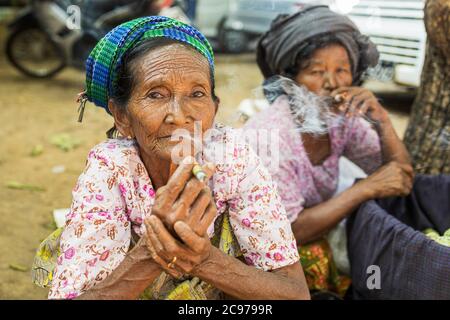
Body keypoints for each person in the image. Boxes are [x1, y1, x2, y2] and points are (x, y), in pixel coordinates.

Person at [36, 16, 309, 300]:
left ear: (214, 111)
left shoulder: (233, 161)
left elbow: (295, 293)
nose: (179, 116)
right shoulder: (112, 170)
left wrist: (204, 259)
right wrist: (152, 250)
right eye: (156, 94)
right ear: (122, 116)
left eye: (197, 94)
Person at [244, 5, 413, 296]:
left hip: (305, 234)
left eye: (341, 71)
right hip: (262, 248)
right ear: (291, 80)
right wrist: (365, 189)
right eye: (316, 72)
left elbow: (402, 175)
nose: (332, 83)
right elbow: (289, 232)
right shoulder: (271, 135)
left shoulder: (340, 121)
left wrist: (381, 119)